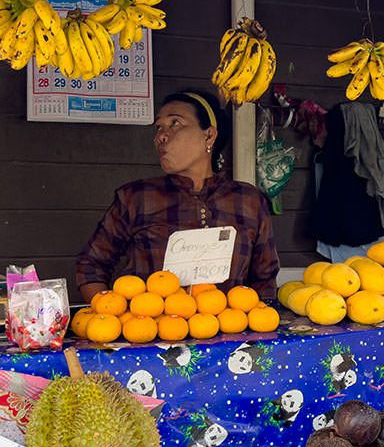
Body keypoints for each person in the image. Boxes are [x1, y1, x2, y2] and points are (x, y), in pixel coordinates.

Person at [76, 90, 280, 303]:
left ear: (209, 135)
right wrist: (109, 314)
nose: (160, 137)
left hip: (231, 331)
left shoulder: (249, 200)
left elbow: (264, 279)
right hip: (151, 332)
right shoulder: (137, 198)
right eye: (158, 128)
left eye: (175, 123)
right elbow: (91, 265)